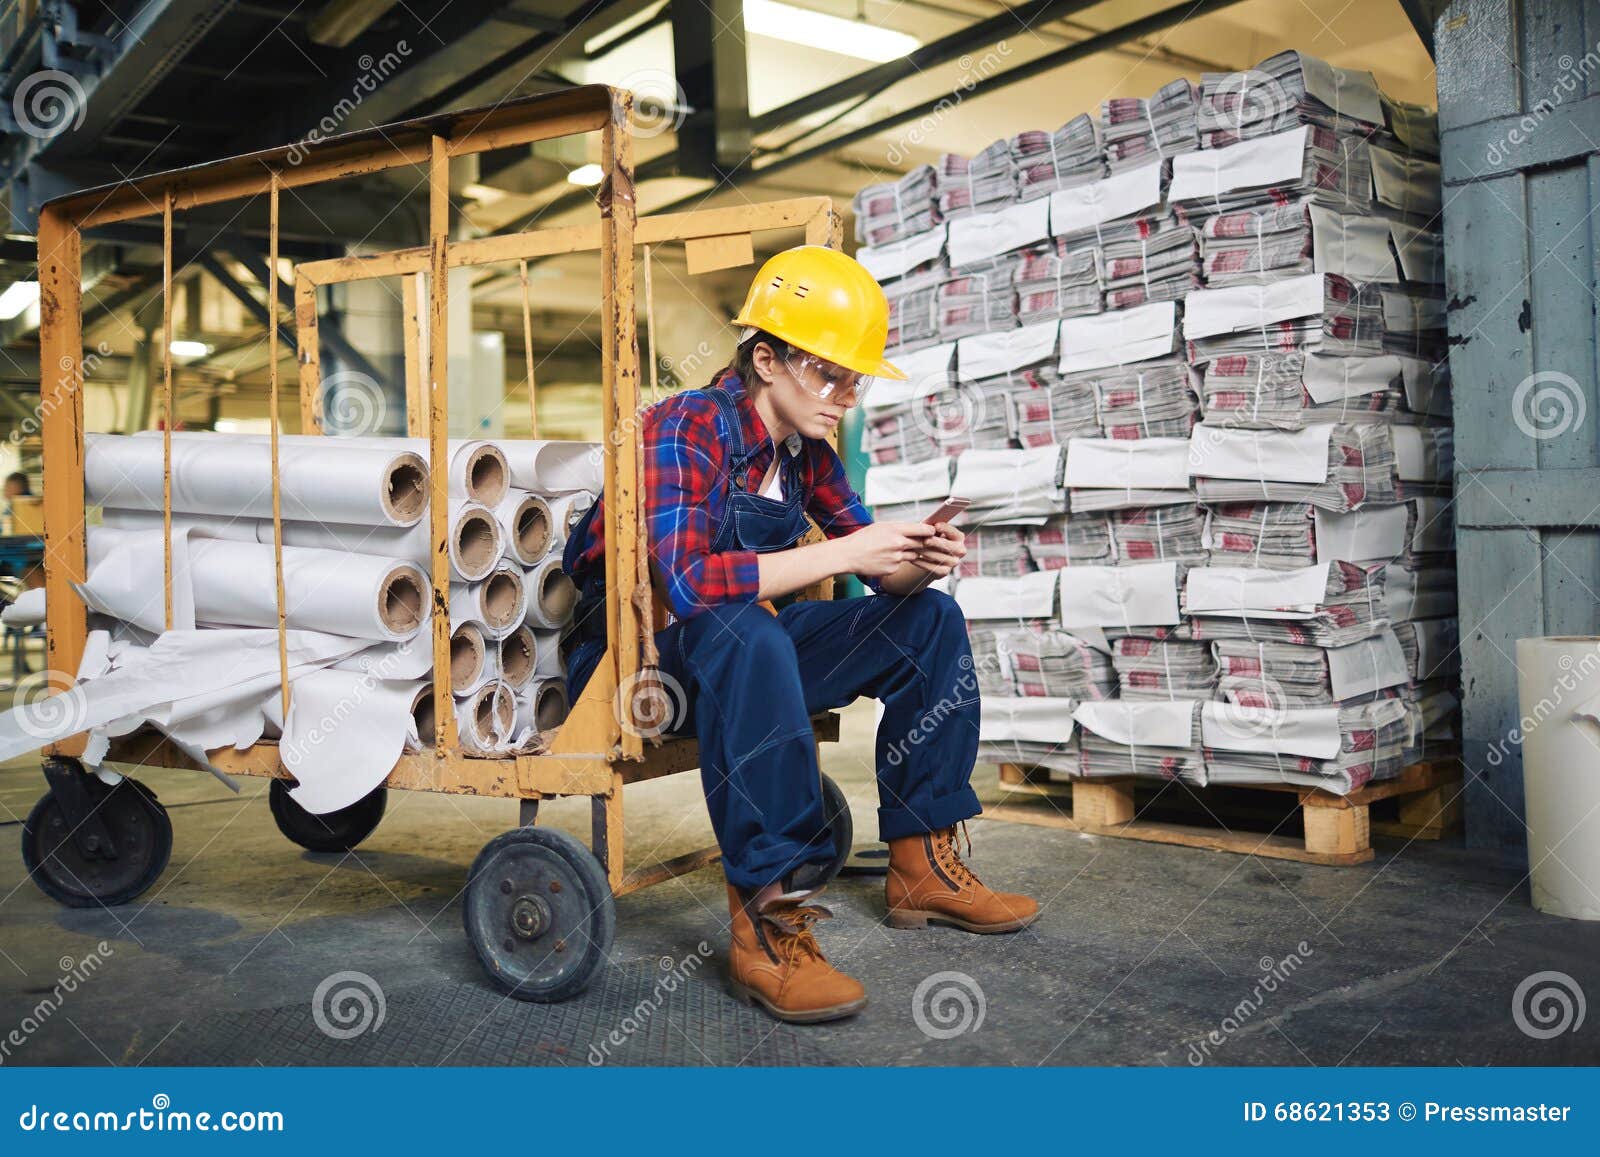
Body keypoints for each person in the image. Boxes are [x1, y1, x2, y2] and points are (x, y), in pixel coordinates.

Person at [562, 245, 1038, 1024]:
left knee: (929, 621)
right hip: (635, 669)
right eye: (830, 374)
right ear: (766, 358)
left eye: (854, 381)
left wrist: (919, 561)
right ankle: (766, 924)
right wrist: (845, 552)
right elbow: (686, 584)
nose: (844, 396)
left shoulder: (804, 453)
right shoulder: (685, 425)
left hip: (747, 656)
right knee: (748, 631)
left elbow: (878, 574)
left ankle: (922, 861)